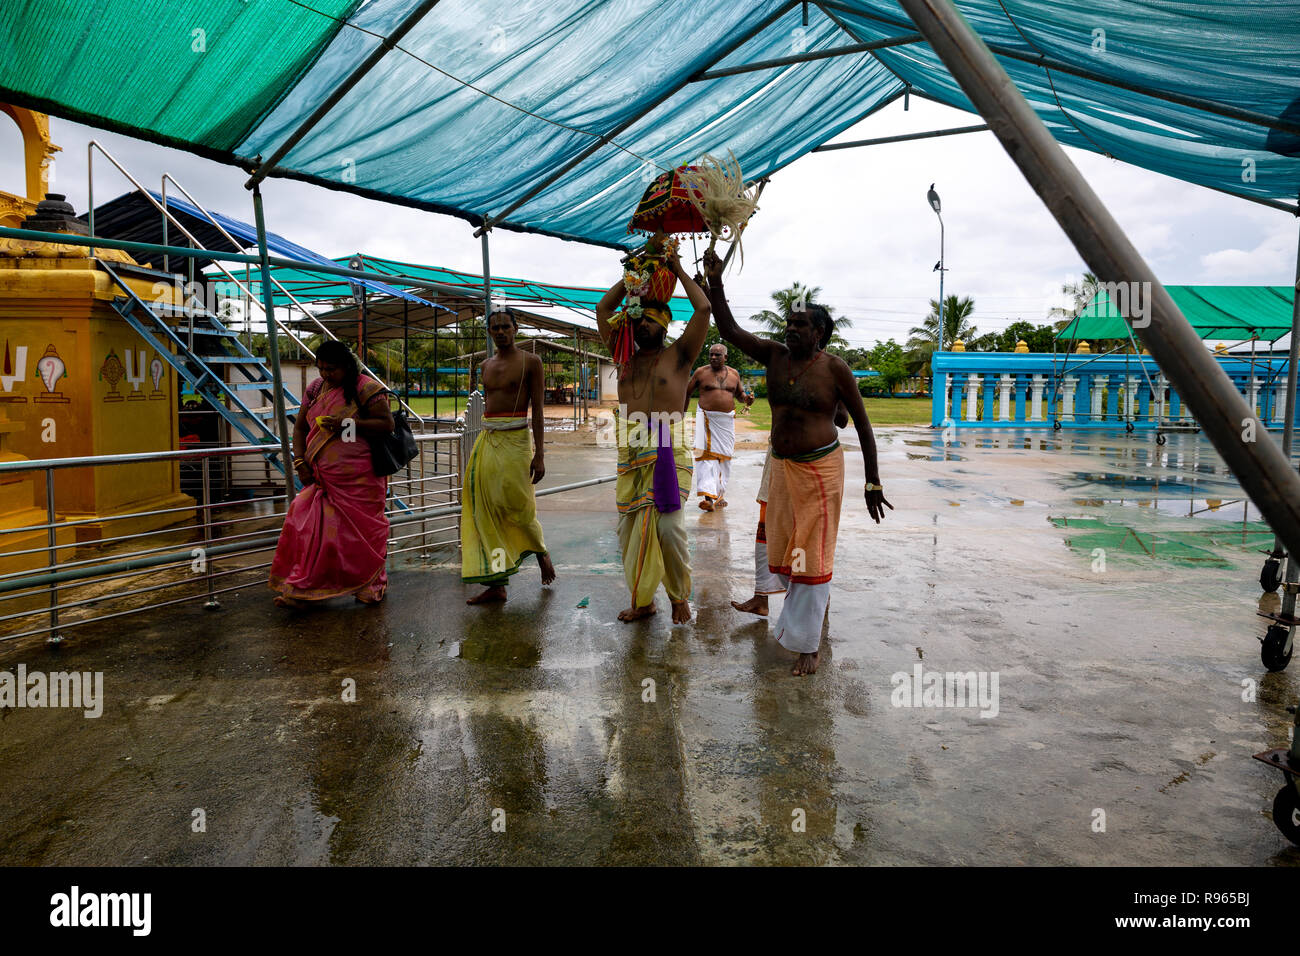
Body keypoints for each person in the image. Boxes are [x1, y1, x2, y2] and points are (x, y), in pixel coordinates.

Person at [704, 248, 892, 675]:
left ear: (820, 332)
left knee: (813, 551)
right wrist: (715, 281)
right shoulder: (773, 355)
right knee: (785, 546)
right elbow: (730, 329)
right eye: (788, 322)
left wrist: (873, 483)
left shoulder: (836, 369)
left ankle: (809, 646)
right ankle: (803, 613)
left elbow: (861, 426)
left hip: (822, 471)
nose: (790, 329)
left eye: (800, 324)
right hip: (783, 470)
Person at [596, 240, 712, 624]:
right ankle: (643, 601)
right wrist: (631, 277)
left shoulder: (679, 355)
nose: (641, 323)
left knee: (668, 527)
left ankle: (679, 596)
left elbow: (704, 308)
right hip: (631, 451)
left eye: (649, 319)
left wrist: (676, 266)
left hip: (667, 448)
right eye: (638, 318)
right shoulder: (622, 355)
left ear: (663, 325)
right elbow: (603, 309)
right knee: (630, 531)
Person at [270, 340, 394, 607]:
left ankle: (371, 585)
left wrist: (347, 424)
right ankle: (304, 588)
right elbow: (301, 428)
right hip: (322, 477)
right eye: (321, 368)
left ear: (346, 366)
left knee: (362, 534)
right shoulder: (316, 389)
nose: (326, 374)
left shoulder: (366, 388)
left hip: (361, 478)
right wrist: (300, 462)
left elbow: (386, 424)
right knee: (311, 530)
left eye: (332, 369)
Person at [461, 309, 556, 603]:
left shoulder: (532, 362)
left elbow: (538, 410)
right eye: (495, 328)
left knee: (519, 506)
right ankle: (497, 583)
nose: (500, 332)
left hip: (516, 440)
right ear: (489, 332)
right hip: (488, 439)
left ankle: (541, 552)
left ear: (516, 328)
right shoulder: (485, 365)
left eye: (505, 327)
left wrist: (540, 454)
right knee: (487, 512)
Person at [731, 403, 849, 618]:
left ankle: (809, 593)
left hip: (812, 458)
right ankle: (762, 595)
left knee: (803, 529)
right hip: (777, 454)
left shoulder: (830, 370)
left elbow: (842, 419)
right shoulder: (779, 370)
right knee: (767, 521)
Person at [684, 343, 752, 511]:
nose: (713, 357)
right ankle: (708, 498)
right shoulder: (701, 372)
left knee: (725, 458)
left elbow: (740, 395)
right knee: (705, 457)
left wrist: (747, 399)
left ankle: (719, 494)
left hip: (726, 422)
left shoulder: (734, 374)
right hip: (705, 418)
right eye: (711, 354)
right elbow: (687, 392)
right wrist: (682, 413)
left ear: (725, 357)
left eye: (717, 355)